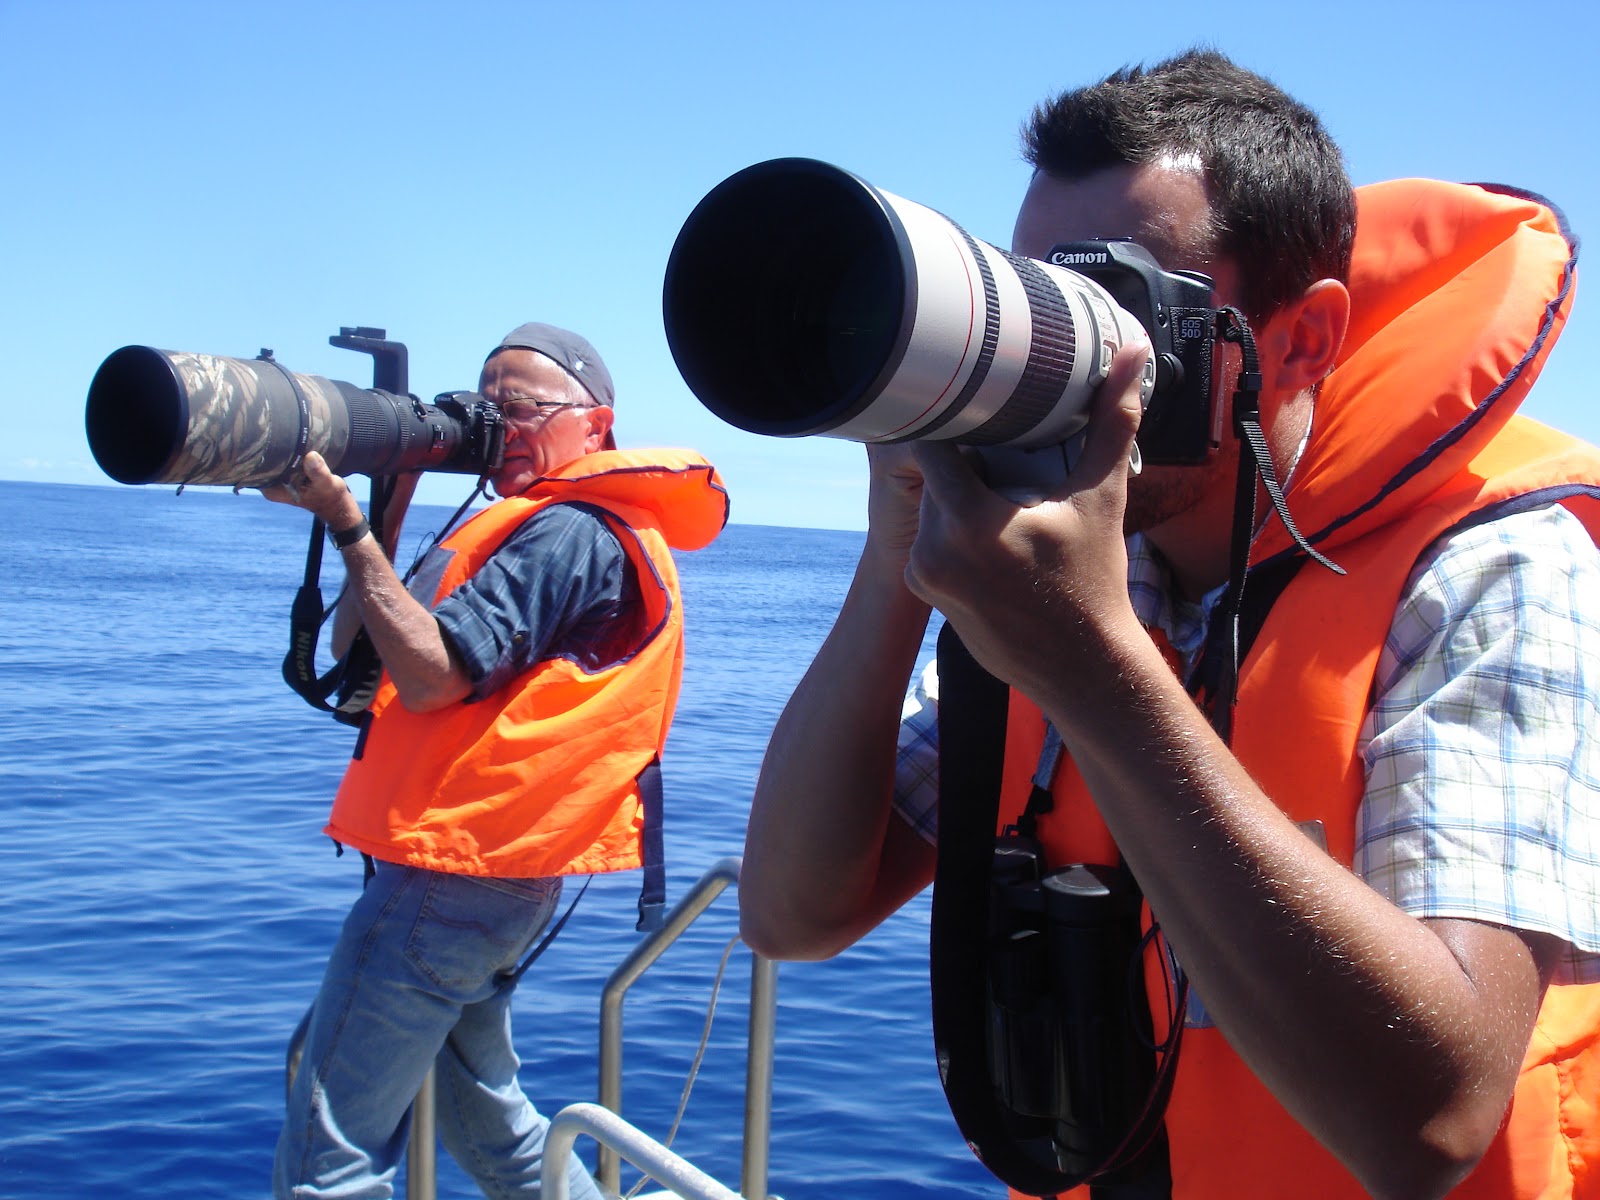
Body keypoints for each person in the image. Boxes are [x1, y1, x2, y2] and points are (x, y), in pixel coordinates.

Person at [739, 50, 1600, 1200]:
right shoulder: (1079, 569)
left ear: (1297, 340)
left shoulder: (1495, 565)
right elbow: (794, 912)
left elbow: (1431, 1123)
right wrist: (898, 556)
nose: (1060, 351)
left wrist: (1091, 671)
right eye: (1032, 290)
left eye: (1111, 299)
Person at [265, 322, 728, 1199]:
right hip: (490, 873)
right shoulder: (542, 527)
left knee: (329, 1160)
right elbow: (363, 656)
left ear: (596, 424)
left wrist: (349, 527)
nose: (497, 425)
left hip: (456, 879)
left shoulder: (568, 535)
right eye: (488, 406)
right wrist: (384, 509)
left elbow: (433, 678)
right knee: (489, 1122)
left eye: (520, 408)